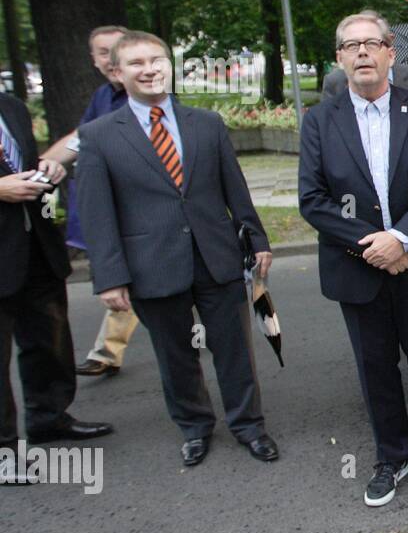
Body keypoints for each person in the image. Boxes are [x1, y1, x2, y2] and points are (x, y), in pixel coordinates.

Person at [77, 31, 279, 467]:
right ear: (118, 72)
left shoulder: (206, 124)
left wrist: (256, 240)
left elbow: (235, 189)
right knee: (175, 356)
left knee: (235, 350)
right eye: (136, 63)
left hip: (217, 257)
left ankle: (249, 426)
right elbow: (98, 214)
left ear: (169, 65)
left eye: (156, 60)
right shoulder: (98, 136)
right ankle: (194, 428)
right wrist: (109, 276)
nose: (149, 69)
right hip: (150, 266)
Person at [299, 13, 408, 506]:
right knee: (375, 367)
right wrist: (376, 245)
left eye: (372, 43)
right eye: (351, 46)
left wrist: (403, 238)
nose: (363, 53)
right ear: (339, 59)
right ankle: (391, 458)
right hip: (358, 267)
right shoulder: (319, 121)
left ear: (391, 53)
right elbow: (313, 199)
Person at [1, 92, 113, 485]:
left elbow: (21, 164)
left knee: (48, 341)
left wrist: (47, 168)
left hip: (34, 247)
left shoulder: (10, 105)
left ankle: (49, 419)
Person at [42, 26, 141, 379]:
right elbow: (80, 139)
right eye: (103, 52)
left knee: (144, 276)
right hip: (113, 209)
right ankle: (109, 351)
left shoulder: (147, 93)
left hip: (139, 212)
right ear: (94, 59)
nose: (111, 59)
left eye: (117, 50)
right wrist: (41, 169)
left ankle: (108, 351)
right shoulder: (103, 96)